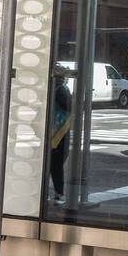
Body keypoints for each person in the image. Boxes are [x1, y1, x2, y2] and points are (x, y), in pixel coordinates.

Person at [49, 72, 73, 204]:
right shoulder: (61, 90)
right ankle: (59, 193)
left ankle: (45, 193)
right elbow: (70, 106)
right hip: (59, 132)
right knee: (56, 163)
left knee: (51, 163)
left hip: (51, 131)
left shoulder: (50, 88)